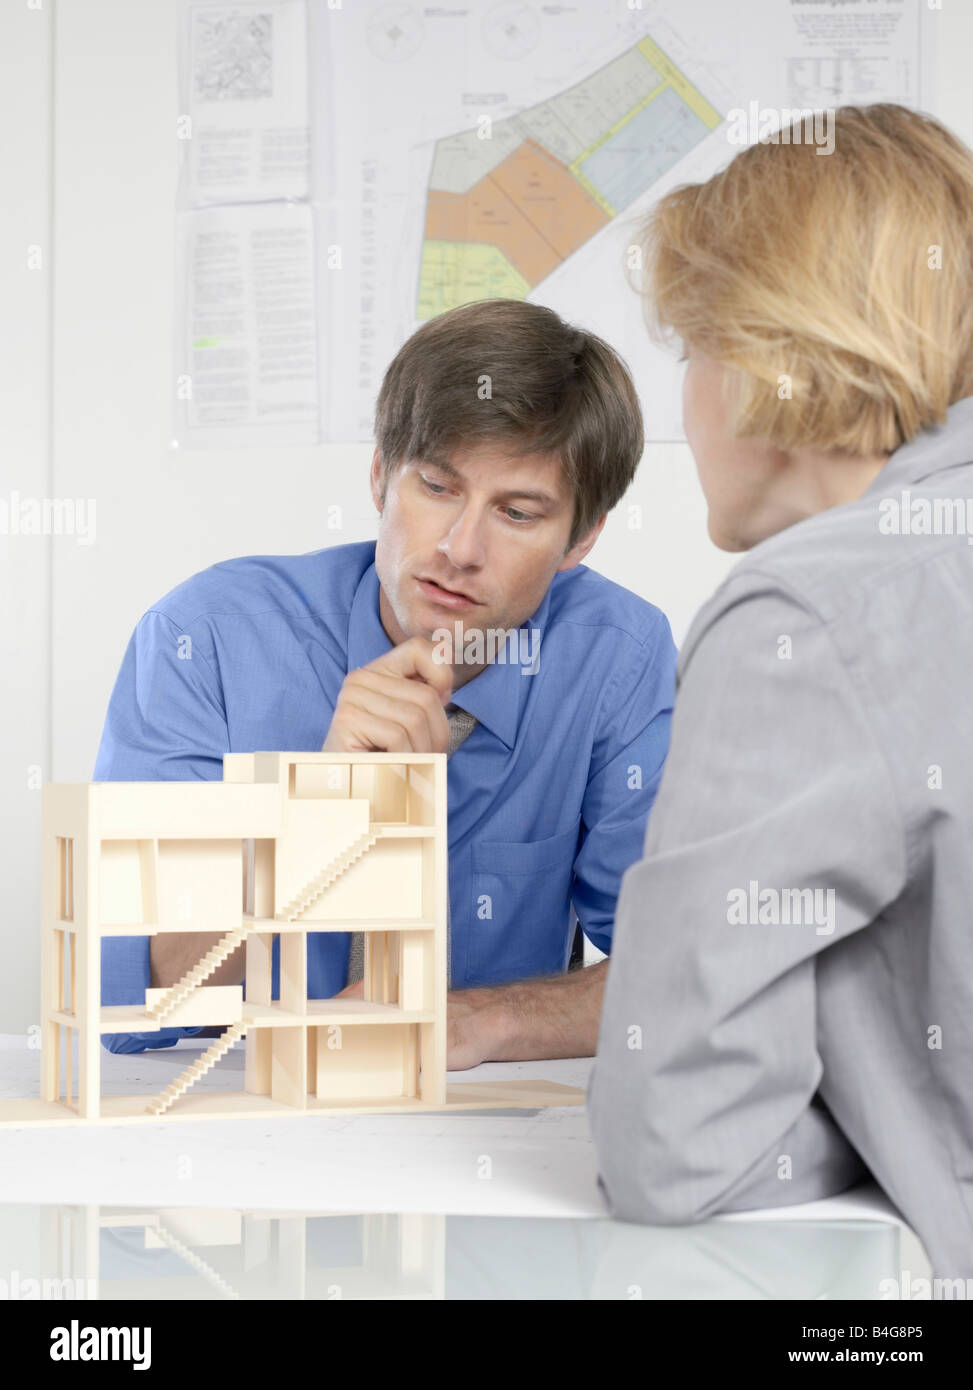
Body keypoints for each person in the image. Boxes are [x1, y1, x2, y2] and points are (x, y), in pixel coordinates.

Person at [588, 103, 973, 1281]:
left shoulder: (807, 617)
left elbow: (679, 1150)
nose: (687, 409)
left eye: (690, 352)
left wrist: (878, 1116)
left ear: (764, 364)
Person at [95, 298, 676, 1065]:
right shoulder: (203, 637)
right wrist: (314, 816)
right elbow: (136, 994)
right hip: (237, 1118)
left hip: (476, 1129)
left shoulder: (616, 658)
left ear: (582, 538)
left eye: (517, 512)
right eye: (435, 488)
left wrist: (477, 1022)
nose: (459, 549)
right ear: (378, 477)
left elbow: (675, 973)